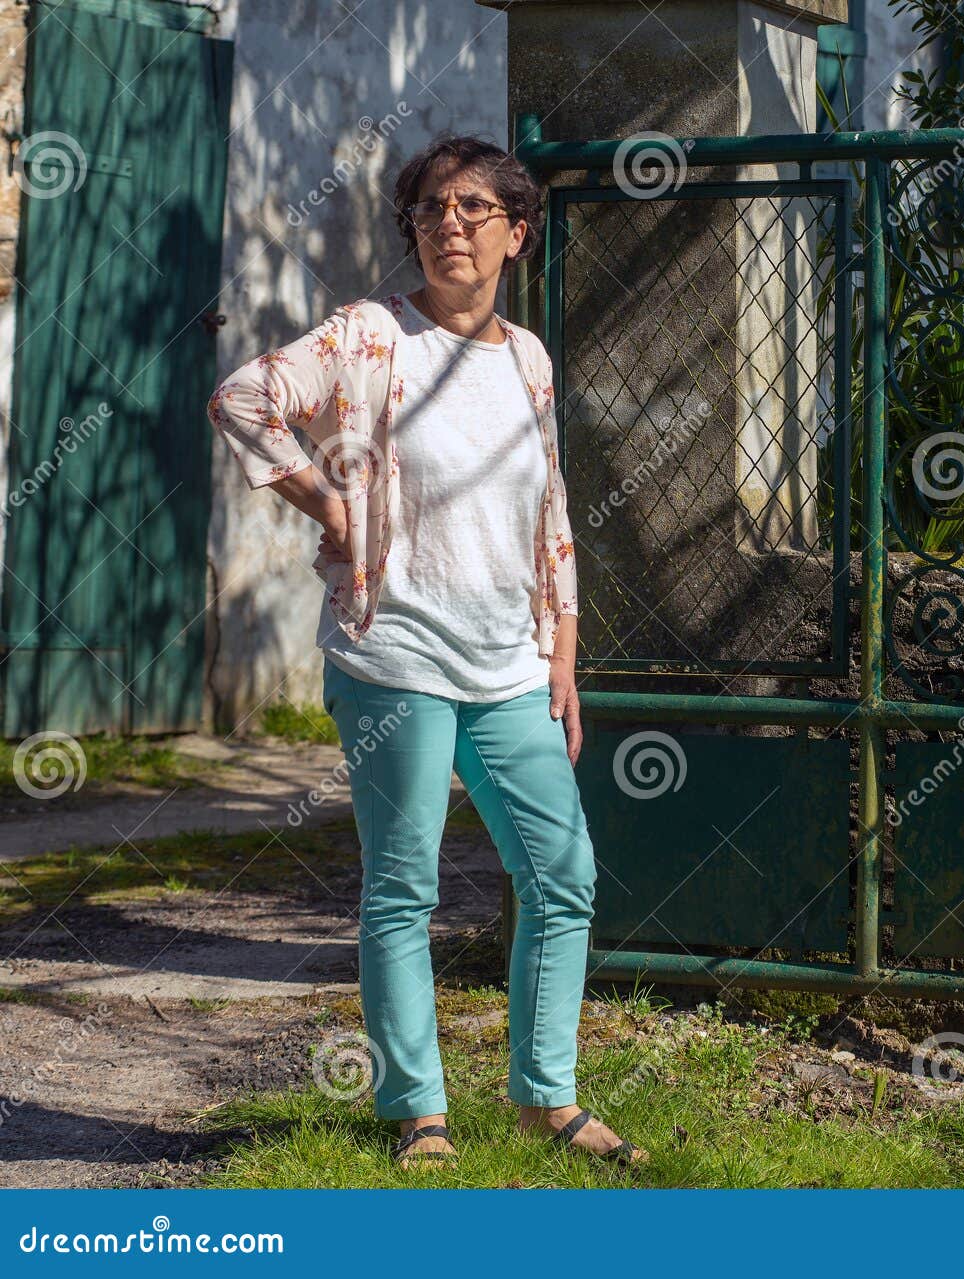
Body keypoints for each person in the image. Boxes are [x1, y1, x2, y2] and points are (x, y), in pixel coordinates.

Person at [206, 133, 646, 1170]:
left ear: (516, 233)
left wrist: (565, 655)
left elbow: (552, 511)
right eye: (432, 209)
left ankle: (548, 1096)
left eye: (474, 209)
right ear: (413, 229)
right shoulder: (369, 336)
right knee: (404, 886)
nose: (450, 225)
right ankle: (419, 1110)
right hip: (394, 656)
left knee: (563, 874)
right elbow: (243, 399)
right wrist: (329, 505)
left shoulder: (528, 356)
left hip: (509, 664)